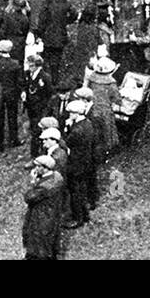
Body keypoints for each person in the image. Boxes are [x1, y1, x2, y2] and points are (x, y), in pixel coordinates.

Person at [22, 155, 66, 260]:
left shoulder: (44, 187)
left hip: (41, 215)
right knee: (50, 239)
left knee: (38, 241)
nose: (35, 169)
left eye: (37, 166)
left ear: (45, 168)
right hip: (53, 212)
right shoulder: (57, 176)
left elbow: (29, 197)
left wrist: (33, 182)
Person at [64, 97, 98, 228]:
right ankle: (84, 215)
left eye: (71, 113)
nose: (70, 115)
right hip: (85, 162)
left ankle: (77, 218)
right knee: (80, 191)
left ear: (76, 114)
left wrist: (67, 128)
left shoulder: (77, 130)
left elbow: (67, 142)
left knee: (75, 192)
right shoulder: (88, 123)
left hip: (75, 164)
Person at [0, 40, 23, 149]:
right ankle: (14, 140)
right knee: (12, 117)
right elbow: (19, 81)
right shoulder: (15, 64)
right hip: (11, 93)